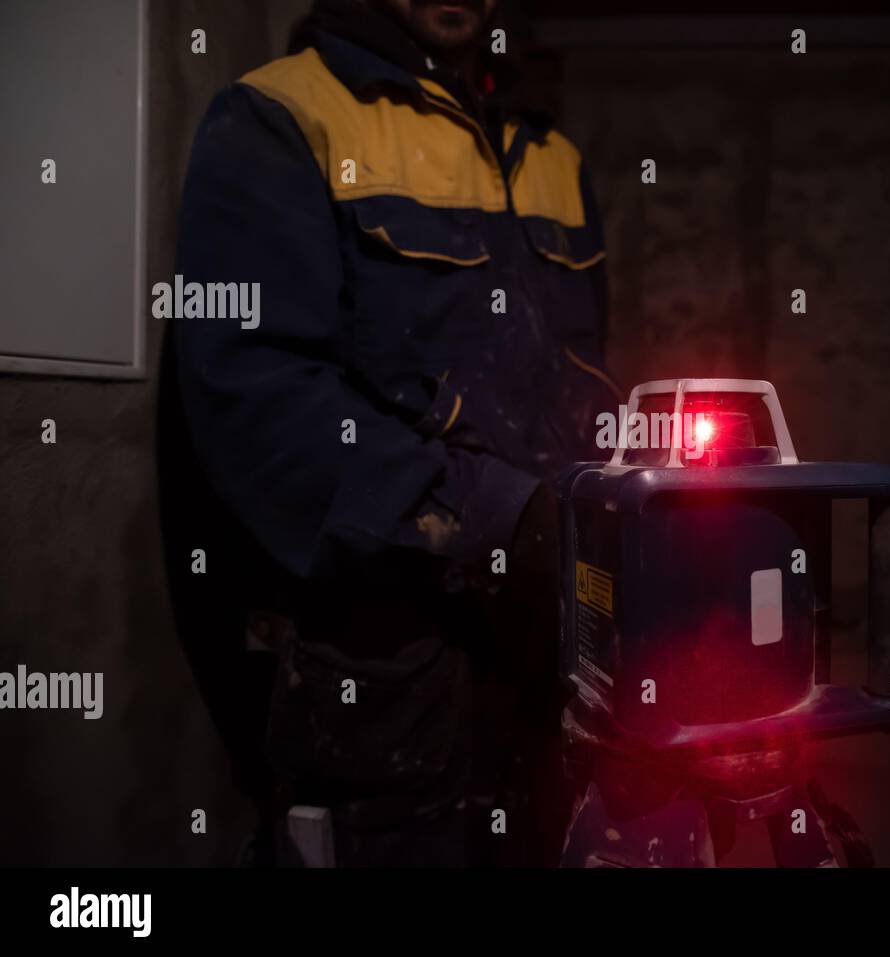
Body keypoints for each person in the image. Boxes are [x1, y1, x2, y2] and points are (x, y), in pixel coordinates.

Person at [157, 0, 617, 866]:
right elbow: (260, 408)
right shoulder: (280, 118)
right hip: (385, 691)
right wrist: (502, 525)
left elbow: (585, 390)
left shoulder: (554, 156)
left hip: (553, 675)